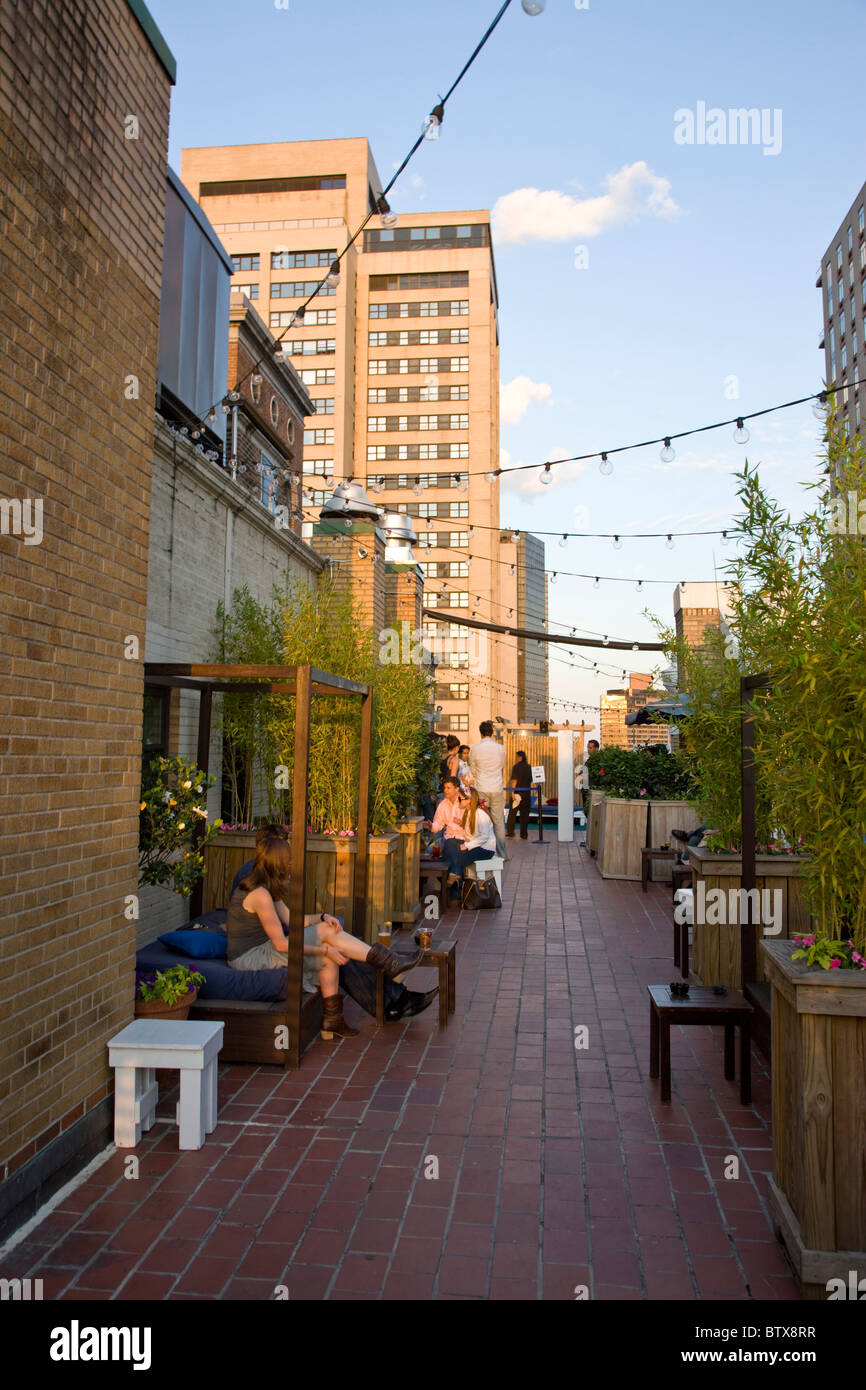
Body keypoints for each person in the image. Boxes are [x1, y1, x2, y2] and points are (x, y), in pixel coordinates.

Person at [227, 832, 428, 1039]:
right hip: (249, 957)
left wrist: (322, 916)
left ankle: (333, 1021)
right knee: (328, 936)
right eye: (288, 860)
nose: (290, 865)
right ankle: (389, 962)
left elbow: (292, 920)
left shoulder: (267, 886)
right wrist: (324, 947)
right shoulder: (259, 894)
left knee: (328, 942)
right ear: (276, 863)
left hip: (264, 948)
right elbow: (280, 945)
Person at [440, 787, 496, 885]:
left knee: (458, 856)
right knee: (449, 842)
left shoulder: (480, 813)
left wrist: (467, 846)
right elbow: (472, 831)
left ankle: (455, 880)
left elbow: (484, 836)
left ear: (469, 800)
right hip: (475, 845)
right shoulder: (469, 813)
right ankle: (455, 876)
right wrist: (462, 824)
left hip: (485, 849)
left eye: (460, 799)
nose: (458, 801)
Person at [468, 720, 507, 857]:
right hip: (496, 787)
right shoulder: (500, 748)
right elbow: (502, 766)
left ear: (480, 733)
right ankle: (502, 854)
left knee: (482, 820)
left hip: (481, 787)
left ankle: (486, 851)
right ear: (492, 733)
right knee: (499, 822)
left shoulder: (475, 749)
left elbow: (472, 769)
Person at [506, 749, 533, 840]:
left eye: (516, 756)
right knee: (525, 814)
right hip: (526, 793)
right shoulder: (529, 767)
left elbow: (514, 780)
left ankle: (510, 832)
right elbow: (531, 780)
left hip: (517, 793)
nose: (516, 758)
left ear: (519, 757)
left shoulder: (516, 767)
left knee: (512, 813)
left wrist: (512, 792)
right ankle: (524, 834)